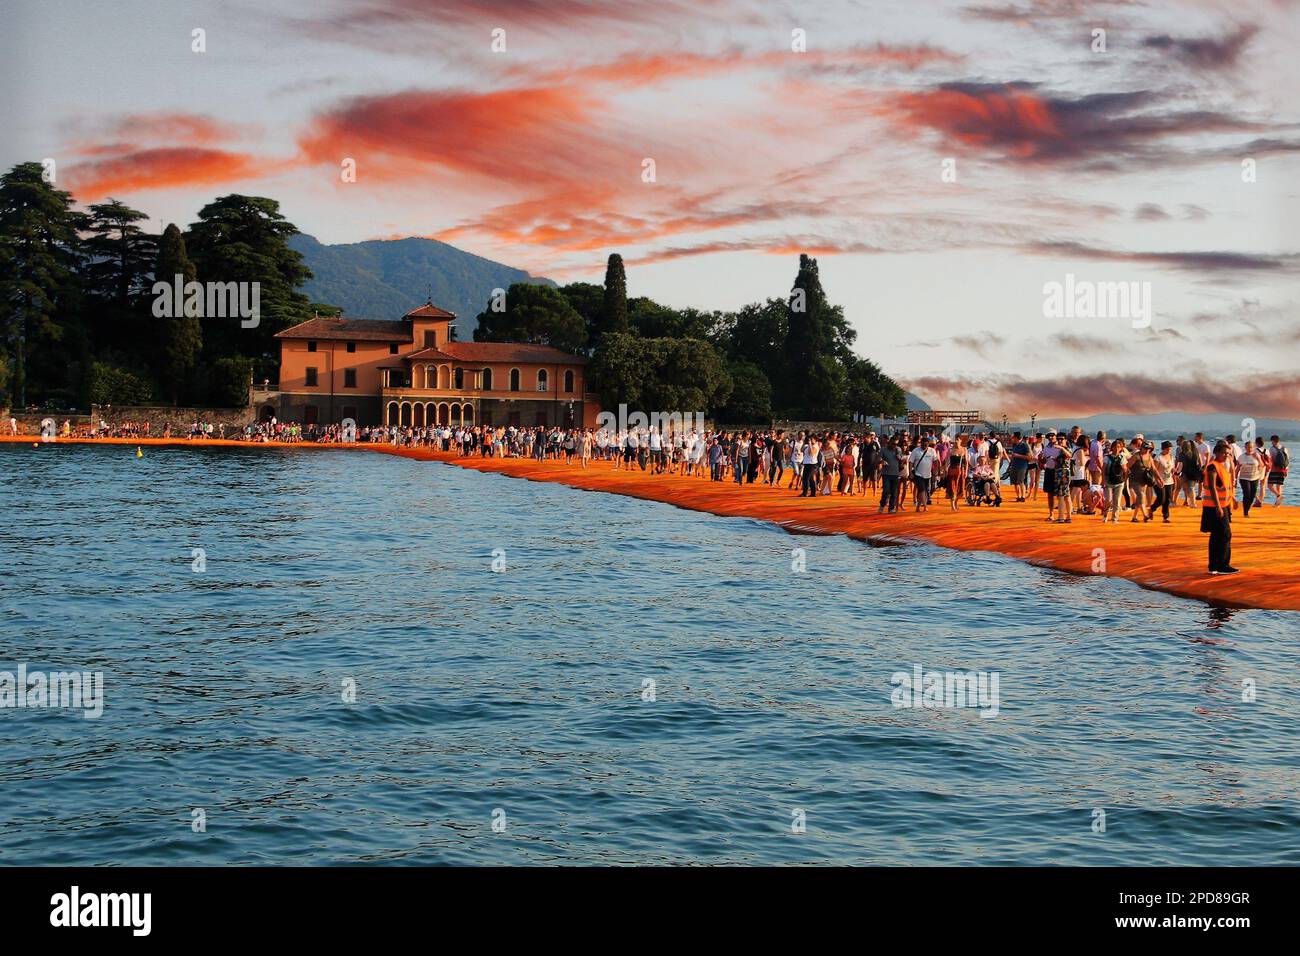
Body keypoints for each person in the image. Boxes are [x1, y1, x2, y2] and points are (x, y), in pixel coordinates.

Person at [1201, 441, 1237, 575]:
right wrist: (1218, 507)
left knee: (1217, 535)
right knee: (1225, 534)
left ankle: (1214, 565)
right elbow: (1212, 487)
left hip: (1223, 505)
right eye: (1223, 453)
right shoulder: (1212, 467)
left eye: (1228, 453)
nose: (1226, 455)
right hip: (1214, 507)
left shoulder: (1222, 466)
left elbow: (1225, 487)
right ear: (1216, 452)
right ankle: (1222, 565)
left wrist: (1232, 499)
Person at [1267, 435, 1289, 507]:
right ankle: (1278, 504)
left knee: (1270, 485)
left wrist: (1269, 469)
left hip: (1274, 470)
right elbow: (1287, 460)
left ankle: (1279, 495)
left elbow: (1271, 460)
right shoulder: (1284, 448)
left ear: (1273, 441)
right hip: (1283, 470)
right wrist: (1286, 470)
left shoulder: (1272, 449)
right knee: (1279, 486)